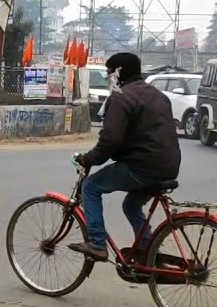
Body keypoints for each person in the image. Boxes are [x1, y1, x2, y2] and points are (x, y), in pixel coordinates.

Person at [70, 52, 181, 263]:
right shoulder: (159, 96)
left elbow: (110, 140)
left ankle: (97, 243)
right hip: (168, 165)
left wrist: (89, 159)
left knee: (90, 187)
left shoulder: (121, 97)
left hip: (142, 166)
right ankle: (147, 250)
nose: (108, 78)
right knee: (131, 205)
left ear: (118, 73)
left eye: (109, 73)